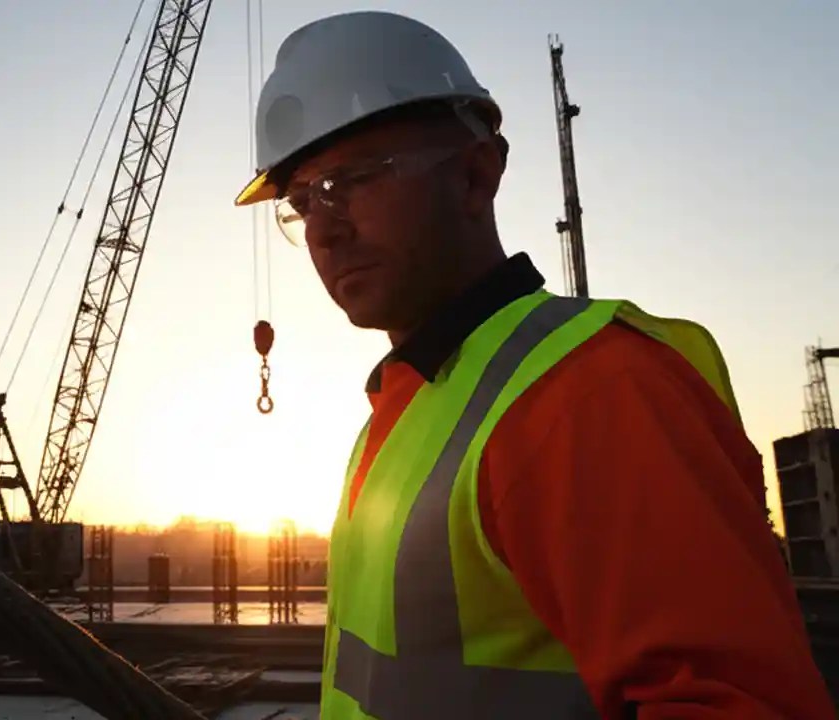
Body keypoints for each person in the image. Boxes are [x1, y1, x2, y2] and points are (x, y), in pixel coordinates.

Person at [234, 11, 834, 720]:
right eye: (302, 202)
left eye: (350, 182)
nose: (323, 231)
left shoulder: (591, 393)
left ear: (474, 175)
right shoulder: (401, 417)